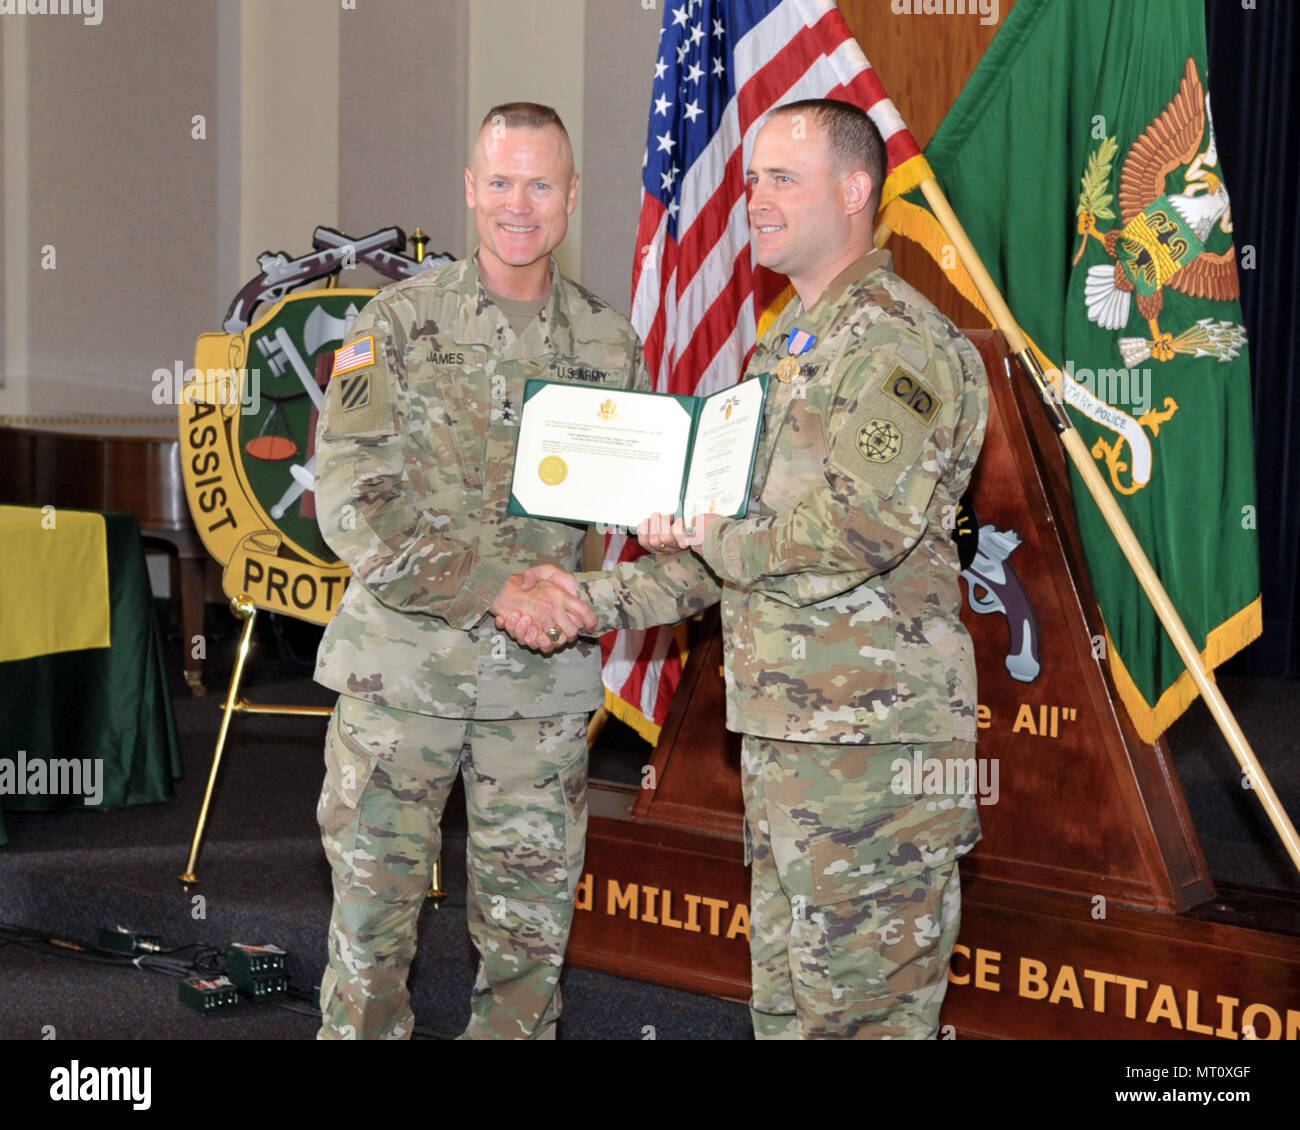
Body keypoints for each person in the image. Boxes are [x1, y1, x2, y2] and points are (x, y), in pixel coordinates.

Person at [502, 99, 989, 1039]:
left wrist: (704, 532)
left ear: (855, 191)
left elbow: (852, 531)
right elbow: (726, 550)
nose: (755, 199)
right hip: (787, 746)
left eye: (783, 179)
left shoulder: (899, 345)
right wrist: (588, 600)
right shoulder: (785, 347)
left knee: (864, 1019)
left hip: (873, 757)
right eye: (753, 179)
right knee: (785, 1010)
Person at [311, 101, 650, 1040]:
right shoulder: (395, 323)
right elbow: (351, 501)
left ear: (572, 196)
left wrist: (680, 522)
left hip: (537, 692)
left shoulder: (609, 345)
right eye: (500, 181)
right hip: (401, 677)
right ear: (470, 188)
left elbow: (643, 506)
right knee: (371, 938)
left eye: (540, 184)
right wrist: (489, 589)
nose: (518, 204)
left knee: (526, 950)